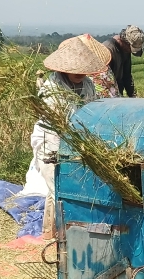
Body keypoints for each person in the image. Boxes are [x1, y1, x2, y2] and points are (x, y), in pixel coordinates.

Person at [24, 34, 111, 237]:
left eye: (83, 70)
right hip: (50, 141)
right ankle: (59, 235)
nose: (80, 74)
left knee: (69, 189)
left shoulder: (88, 85)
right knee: (58, 188)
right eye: (75, 70)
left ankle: (59, 232)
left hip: (76, 141)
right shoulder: (51, 89)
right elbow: (55, 123)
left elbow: (91, 113)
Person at [96, 25, 144, 98]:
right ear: (124, 41)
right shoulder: (108, 50)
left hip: (118, 90)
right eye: (130, 49)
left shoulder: (126, 49)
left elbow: (127, 75)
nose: (130, 51)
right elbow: (104, 80)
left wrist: (133, 96)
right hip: (107, 93)